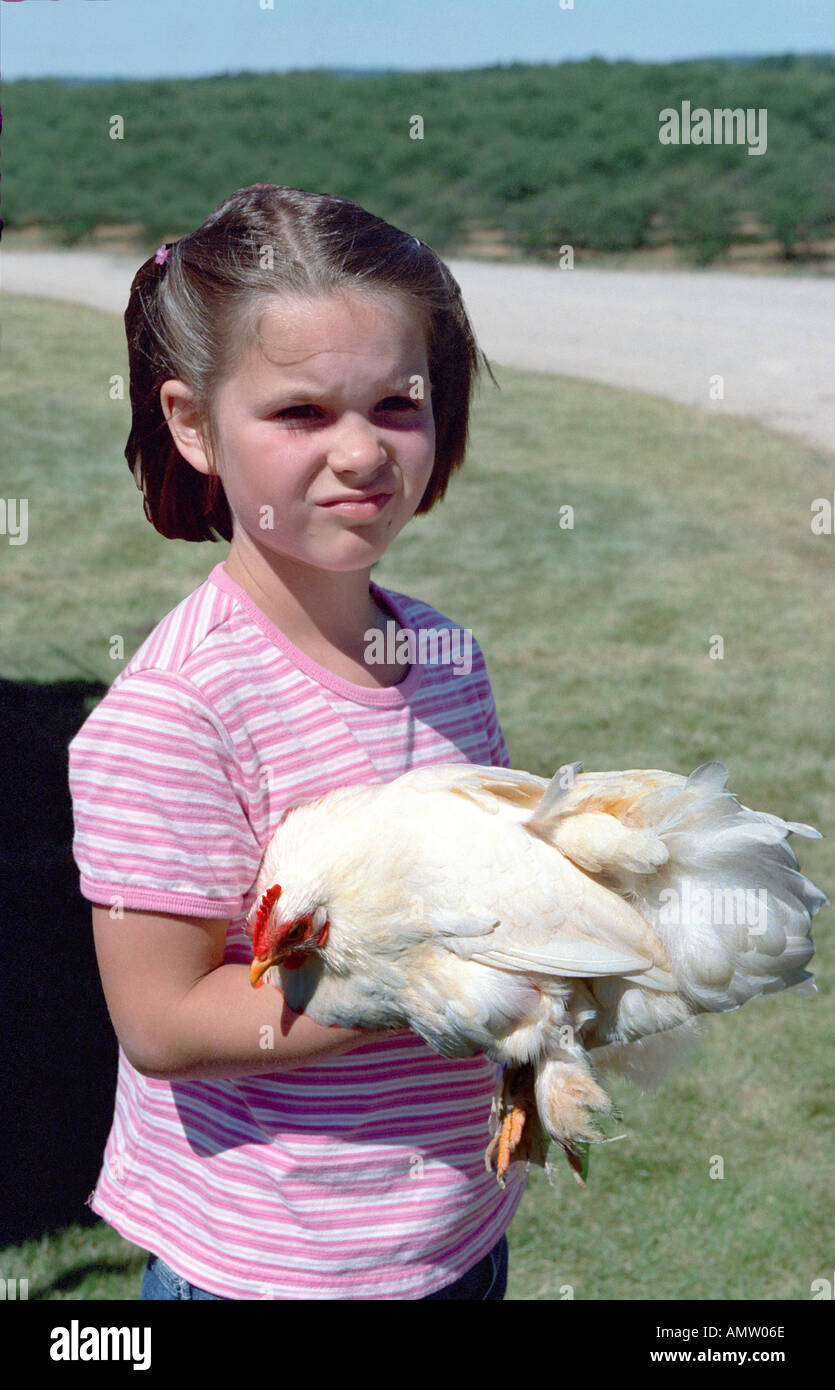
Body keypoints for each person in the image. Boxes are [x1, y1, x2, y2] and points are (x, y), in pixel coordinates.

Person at [68, 183, 525, 1300]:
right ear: (192, 424)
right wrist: (443, 979)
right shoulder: (178, 714)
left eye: (397, 403)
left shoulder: (444, 653)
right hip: (275, 1264)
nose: (362, 452)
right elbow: (165, 1022)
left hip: (452, 1233)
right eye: (302, 413)